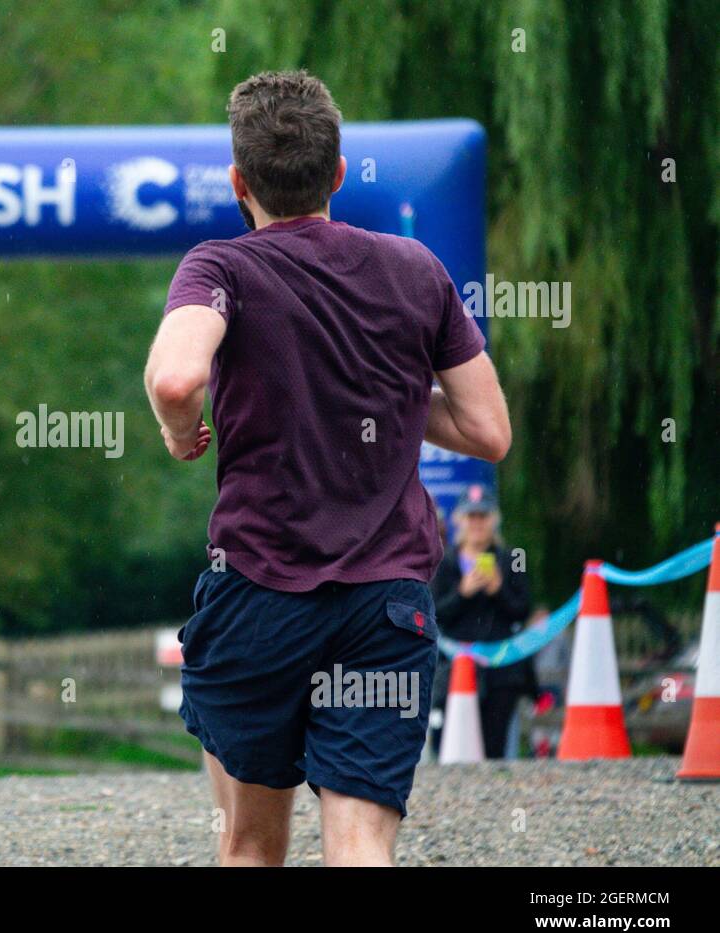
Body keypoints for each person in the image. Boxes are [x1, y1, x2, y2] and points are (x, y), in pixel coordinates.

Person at [144, 70, 510, 866]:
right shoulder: (417, 270)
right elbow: (488, 430)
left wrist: (181, 431)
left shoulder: (221, 268)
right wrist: (398, 396)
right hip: (387, 605)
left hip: (259, 600)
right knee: (359, 842)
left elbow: (176, 377)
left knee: (249, 844)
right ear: (338, 173)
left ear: (239, 183)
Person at [431, 485, 534, 759]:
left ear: (493, 520)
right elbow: (432, 613)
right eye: (471, 516)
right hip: (453, 669)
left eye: (483, 516)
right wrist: (462, 593)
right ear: (459, 521)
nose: (477, 523)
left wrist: (498, 590)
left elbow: (522, 611)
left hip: (501, 669)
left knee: (494, 747)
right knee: (449, 747)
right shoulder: (444, 562)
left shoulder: (512, 559)